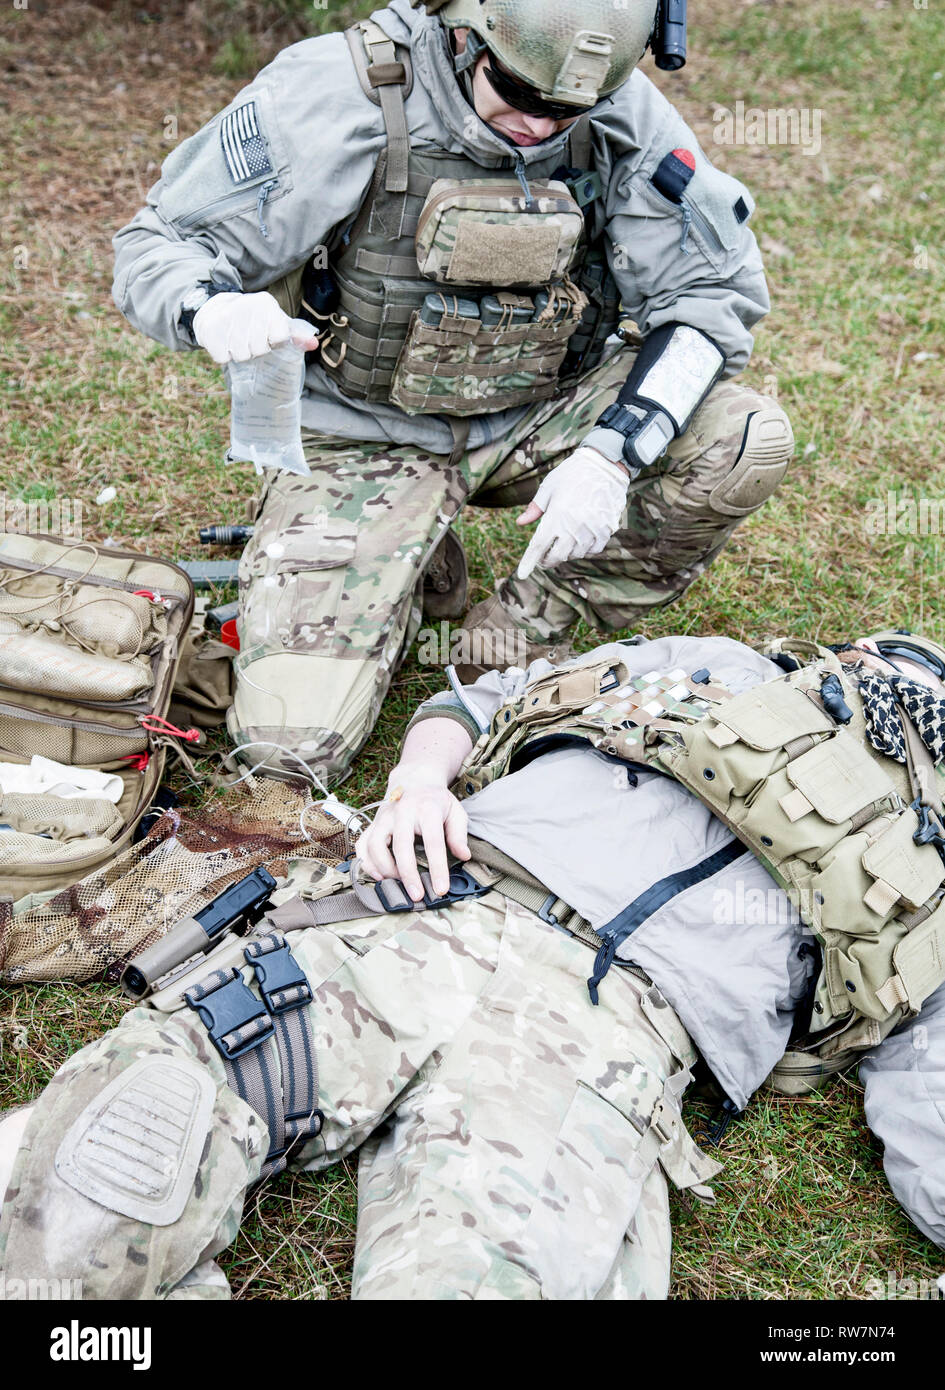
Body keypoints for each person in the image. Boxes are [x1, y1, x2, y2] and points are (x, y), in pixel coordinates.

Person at [2, 627, 944, 1301]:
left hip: (601, 1037)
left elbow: (928, 1117)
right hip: (428, 912)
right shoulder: (717, 666)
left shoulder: (929, 888)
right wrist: (416, 779)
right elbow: (476, 700)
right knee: (110, 1158)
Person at [111, 0, 794, 785]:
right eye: (520, 94)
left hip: (540, 408)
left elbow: (710, 295)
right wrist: (208, 307)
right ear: (465, 34)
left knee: (743, 439)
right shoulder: (343, 88)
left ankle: (524, 627)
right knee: (286, 750)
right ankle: (410, 559)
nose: (541, 127)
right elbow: (161, 242)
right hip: (364, 430)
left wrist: (611, 453)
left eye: (568, 111)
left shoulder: (621, 110)